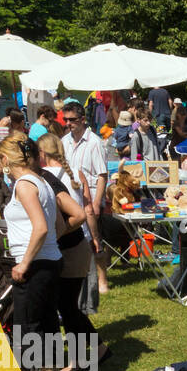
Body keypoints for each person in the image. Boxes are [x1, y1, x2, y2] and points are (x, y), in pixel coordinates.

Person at [0, 135, 63, 371]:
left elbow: (42, 227)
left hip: (34, 263)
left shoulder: (24, 185)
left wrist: (24, 263)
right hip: (48, 259)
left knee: (30, 323)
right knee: (45, 320)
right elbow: (56, 224)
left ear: (5, 159)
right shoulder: (42, 181)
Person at [36, 133, 103, 371]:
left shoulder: (44, 178)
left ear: (41, 153)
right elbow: (87, 208)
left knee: (67, 307)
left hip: (69, 246)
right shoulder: (74, 171)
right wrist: (94, 236)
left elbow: (79, 213)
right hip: (78, 243)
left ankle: (87, 355)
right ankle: (91, 353)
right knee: (68, 306)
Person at [61, 101, 109, 300]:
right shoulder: (63, 141)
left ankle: (102, 279)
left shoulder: (94, 142)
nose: (68, 123)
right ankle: (79, 276)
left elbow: (102, 175)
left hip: (90, 199)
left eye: (72, 120)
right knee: (77, 240)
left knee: (96, 239)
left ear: (82, 120)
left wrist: (97, 202)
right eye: (65, 120)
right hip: (70, 198)